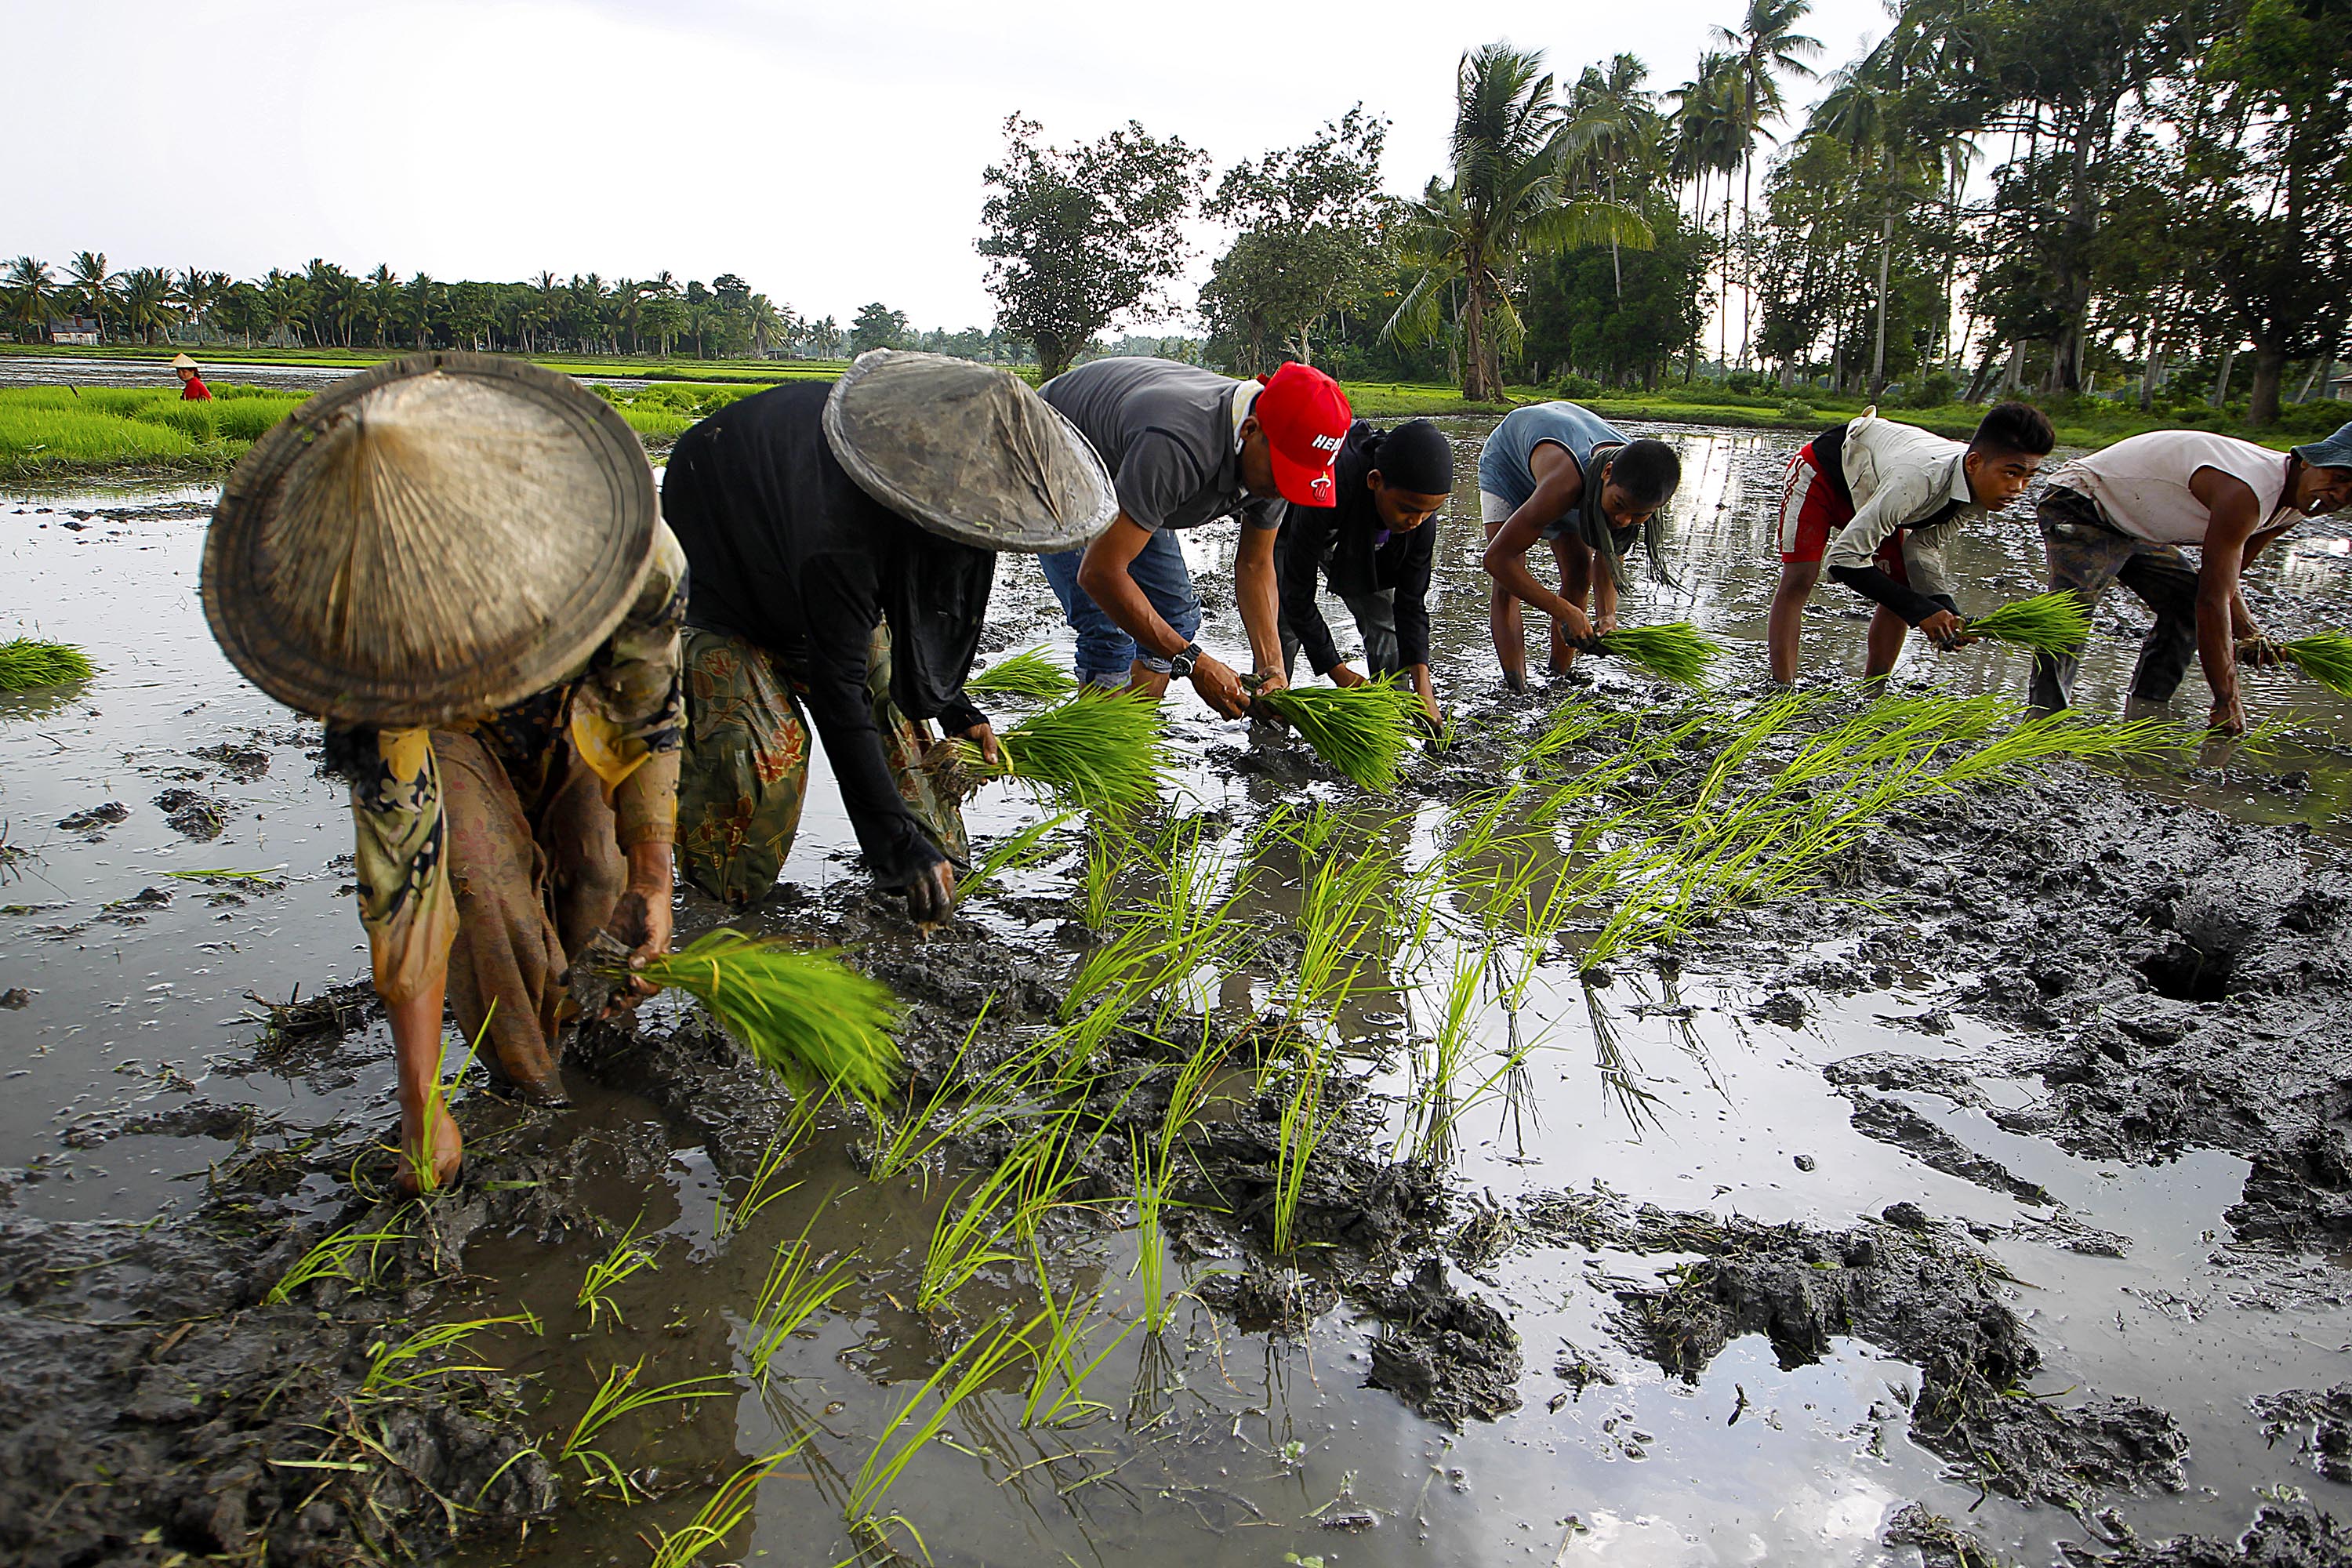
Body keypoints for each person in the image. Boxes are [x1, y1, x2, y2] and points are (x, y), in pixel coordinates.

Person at [202, 354, 684, 1192]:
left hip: (577, 697)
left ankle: (590, 1022)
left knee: (599, 869)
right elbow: (409, 879)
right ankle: (533, 1086)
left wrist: (655, 877)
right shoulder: (374, 651)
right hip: (448, 727)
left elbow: (648, 711)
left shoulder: (637, 558)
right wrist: (419, 1101)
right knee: (481, 883)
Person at [662, 351, 1113, 920]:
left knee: (911, 752)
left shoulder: (942, 498)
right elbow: (838, 689)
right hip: (725, 594)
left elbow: (921, 602)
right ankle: (717, 917)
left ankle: (937, 871)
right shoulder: (841, 529)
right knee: (758, 769)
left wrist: (955, 707)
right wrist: (894, 845)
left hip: (816, 569)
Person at [1034, 358, 1353, 718]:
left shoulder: (1269, 468)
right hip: (1055, 450)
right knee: (1109, 630)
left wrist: (1273, 667)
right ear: (1249, 431)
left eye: (1298, 481)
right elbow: (1100, 573)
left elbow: (1255, 562)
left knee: (1176, 618)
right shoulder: (1180, 446)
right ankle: (1098, 760)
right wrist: (1193, 662)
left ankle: (1128, 738)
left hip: (1132, 468)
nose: (1283, 491)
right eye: (1283, 477)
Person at [2028, 420, 2352, 735]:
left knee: (2184, 605)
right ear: (2308, 461)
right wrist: (2228, 697)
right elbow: (2211, 601)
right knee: (2071, 611)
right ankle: (2045, 724)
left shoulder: (2299, 503)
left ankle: (2146, 711)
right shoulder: (2248, 491)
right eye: (2338, 478)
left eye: (2351, 493)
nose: (2339, 495)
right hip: (2084, 500)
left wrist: (2251, 634)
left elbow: (2226, 581)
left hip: (2136, 521)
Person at [1767, 401, 2056, 682]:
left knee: (1901, 581)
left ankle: (1873, 691)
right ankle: (1782, 690)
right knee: (1800, 576)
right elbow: (1843, 561)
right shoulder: (1918, 479)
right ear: (1974, 463)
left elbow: (1922, 547)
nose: (2018, 488)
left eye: (2028, 477)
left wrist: (1945, 610)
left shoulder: (1981, 490)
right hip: (1825, 473)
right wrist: (1922, 612)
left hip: (1878, 489)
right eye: (2011, 473)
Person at [1476, 401, 1681, 689]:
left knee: (1578, 572)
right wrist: (1563, 610)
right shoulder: (1565, 483)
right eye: (1619, 506)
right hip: (1510, 463)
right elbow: (1497, 560)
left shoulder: (1643, 489)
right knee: (1509, 583)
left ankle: (1559, 676)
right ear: (1607, 472)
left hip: (1575, 468)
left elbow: (1609, 557)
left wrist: (1606, 615)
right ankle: (1516, 687)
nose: (1624, 520)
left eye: (1639, 515)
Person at [1276, 417, 1455, 729]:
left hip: (1365, 536)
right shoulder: (1334, 480)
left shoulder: (1420, 518)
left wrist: (1423, 689)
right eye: (1409, 509)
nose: (1417, 520)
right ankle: (1273, 710)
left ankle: (1396, 714)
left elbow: (1411, 604)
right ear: (1375, 481)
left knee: (1383, 615)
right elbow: (1297, 594)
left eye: (1429, 512)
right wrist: (1338, 672)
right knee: (1284, 624)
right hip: (1295, 524)